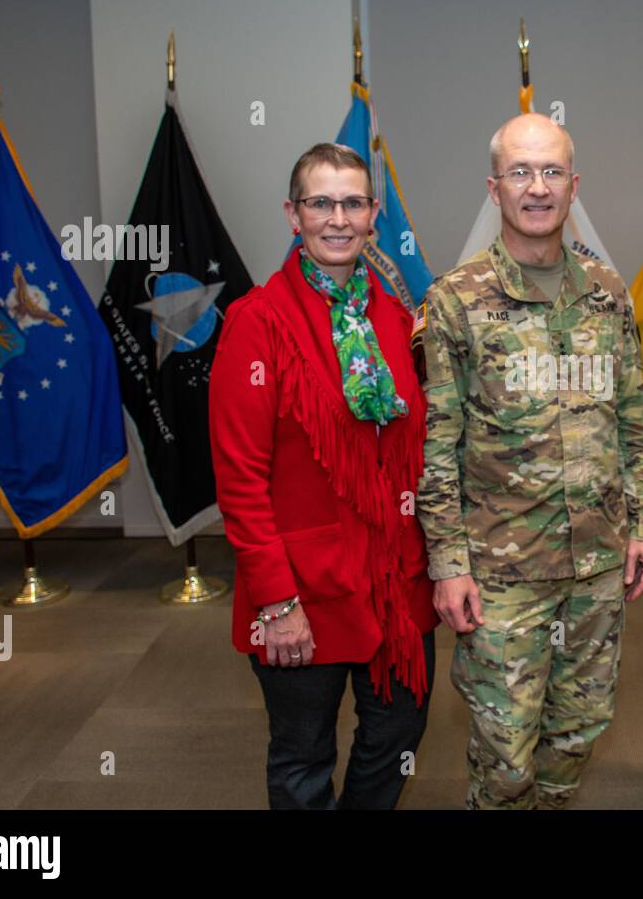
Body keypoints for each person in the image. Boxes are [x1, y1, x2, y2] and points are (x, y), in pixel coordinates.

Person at [416, 113, 643, 809]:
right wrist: (449, 565)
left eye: (551, 171)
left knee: (579, 732)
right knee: (505, 751)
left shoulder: (608, 293)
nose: (537, 187)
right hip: (503, 572)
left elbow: (632, 421)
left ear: (573, 185)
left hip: (596, 564)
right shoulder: (455, 301)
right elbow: (439, 446)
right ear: (494, 188)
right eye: (520, 172)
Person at [209, 143, 437, 809]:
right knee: (304, 757)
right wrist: (276, 604)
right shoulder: (257, 324)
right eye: (320, 203)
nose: (337, 219)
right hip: (301, 592)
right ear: (293, 214)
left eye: (353, 203)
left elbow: (419, 450)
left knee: (399, 735)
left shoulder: (397, 320)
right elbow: (241, 481)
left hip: (395, 583)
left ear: (372, 215)